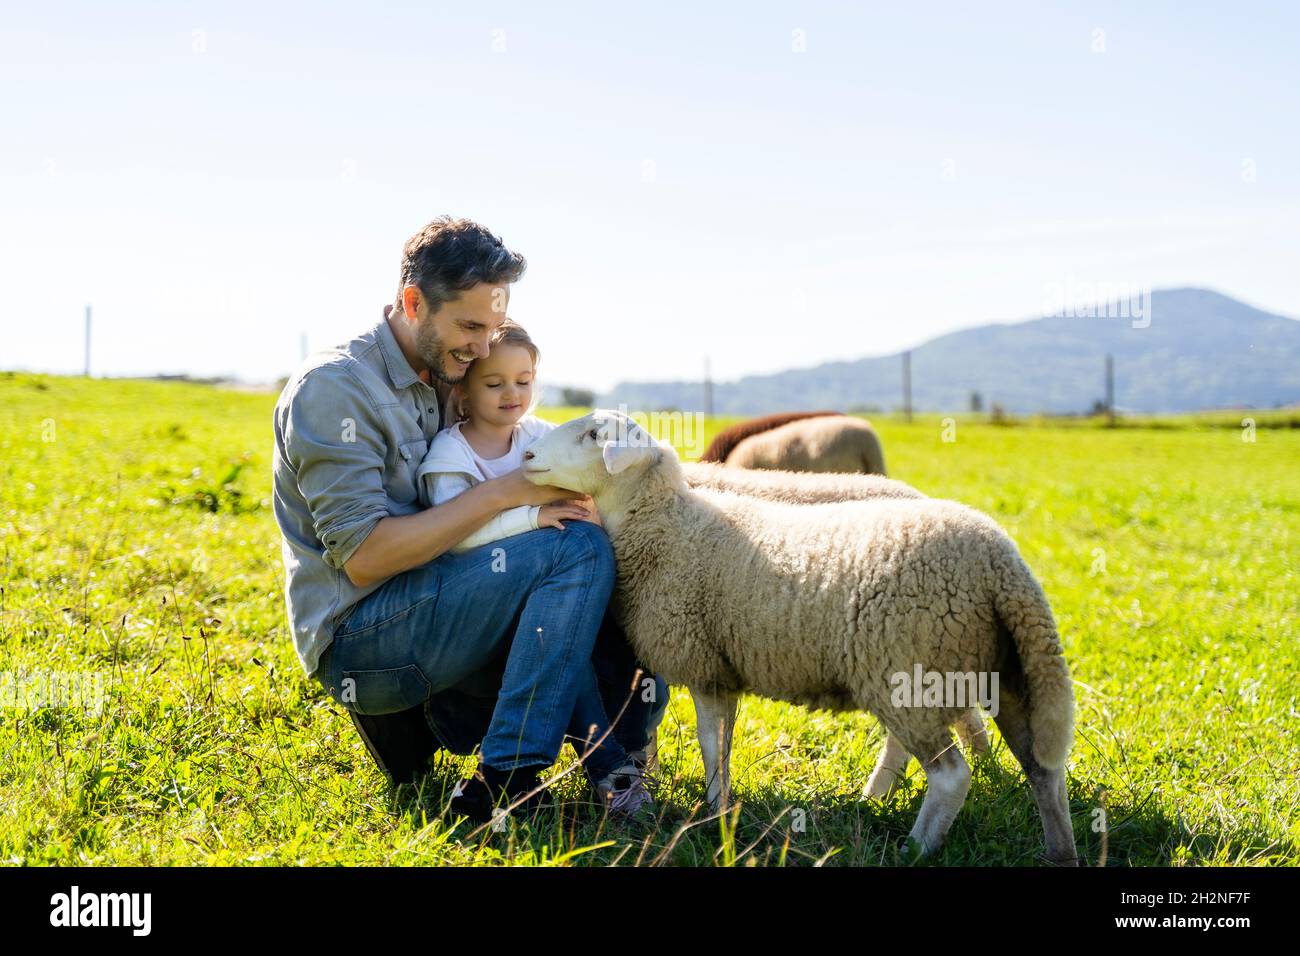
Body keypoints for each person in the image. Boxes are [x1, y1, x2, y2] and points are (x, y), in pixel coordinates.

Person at [270, 216, 667, 824]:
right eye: (470, 326)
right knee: (574, 551)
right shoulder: (335, 391)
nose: (484, 347)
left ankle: (613, 754)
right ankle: (505, 778)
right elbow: (367, 557)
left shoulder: (450, 375)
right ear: (413, 302)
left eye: (494, 328)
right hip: (364, 636)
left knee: (619, 560)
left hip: (447, 599)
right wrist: (511, 493)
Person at [414, 316, 654, 814]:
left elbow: (591, 473)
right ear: (463, 390)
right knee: (563, 619)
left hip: (550, 592)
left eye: (523, 382)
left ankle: (622, 748)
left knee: (575, 626)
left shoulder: (542, 438)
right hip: (479, 592)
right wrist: (533, 515)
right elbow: (455, 537)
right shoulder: (450, 454)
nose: (511, 394)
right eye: (494, 382)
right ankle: (606, 763)